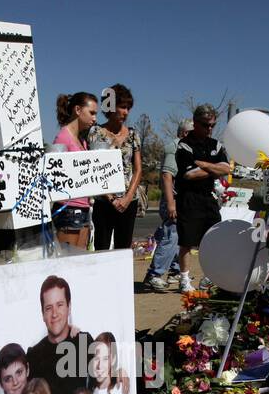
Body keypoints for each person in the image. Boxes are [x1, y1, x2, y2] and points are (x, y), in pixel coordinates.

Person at [0, 274, 128, 394]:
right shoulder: (34, 355)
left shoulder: (84, 342)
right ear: (42, 313)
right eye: (49, 308)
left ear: (69, 307)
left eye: (60, 305)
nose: (55, 314)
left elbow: (101, 374)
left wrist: (118, 371)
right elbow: (18, 391)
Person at [174, 104, 231, 292]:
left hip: (209, 197)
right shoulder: (184, 145)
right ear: (195, 123)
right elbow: (189, 175)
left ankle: (209, 277)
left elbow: (226, 169)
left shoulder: (216, 144)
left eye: (212, 125)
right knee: (187, 241)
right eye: (206, 125)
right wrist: (214, 168)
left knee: (214, 239)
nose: (209, 129)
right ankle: (183, 279)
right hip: (189, 198)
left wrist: (202, 165)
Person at [88, 84, 142, 251]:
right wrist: (112, 199)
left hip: (129, 202)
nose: (125, 112)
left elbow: (138, 169)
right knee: (102, 249)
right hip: (104, 203)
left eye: (128, 108)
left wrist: (127, 198)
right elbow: (94, 167)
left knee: (123, 250)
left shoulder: (133, 134)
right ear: (110, 107)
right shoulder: (95, 132)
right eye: (122, 107)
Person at [145, 118, 191, 292]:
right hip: (173, 200)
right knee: (170, 235)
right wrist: (171, 203)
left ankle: (175, 271)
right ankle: (154, 275)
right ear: (185, 133)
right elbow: (167, 175)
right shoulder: (174, 147)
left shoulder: (186, 149)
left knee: (179, 237)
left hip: (182, 200)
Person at [52, 92, 98, 249]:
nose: (95, 118)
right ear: (78, 110)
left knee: (80, 263)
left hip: (83, 208)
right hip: (68, 209)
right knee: (66, 264)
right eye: (91, 113)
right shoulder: (63, 138)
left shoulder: (82, 140)